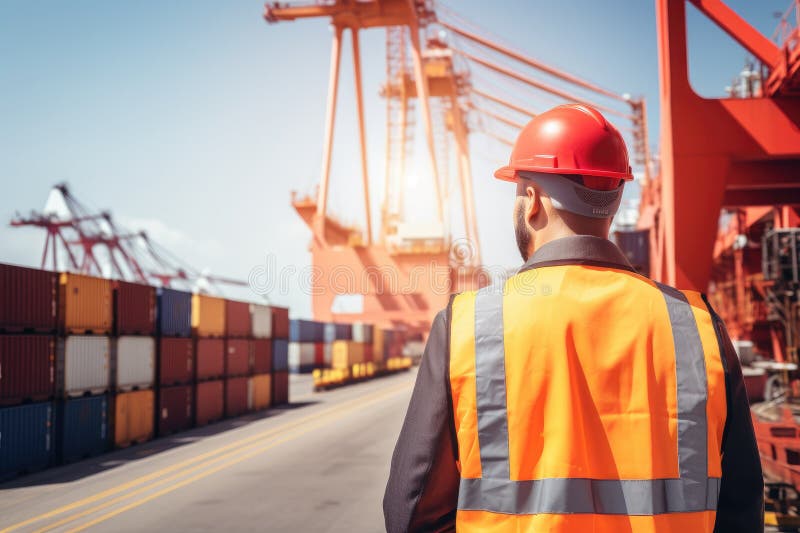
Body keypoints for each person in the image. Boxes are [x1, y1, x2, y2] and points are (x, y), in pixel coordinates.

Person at [383, 104, 763, 532]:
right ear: (613, 203)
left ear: (531, 201)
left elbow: (411, 510)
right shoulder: (698, 326)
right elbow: (741, 507)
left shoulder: (467, 326)